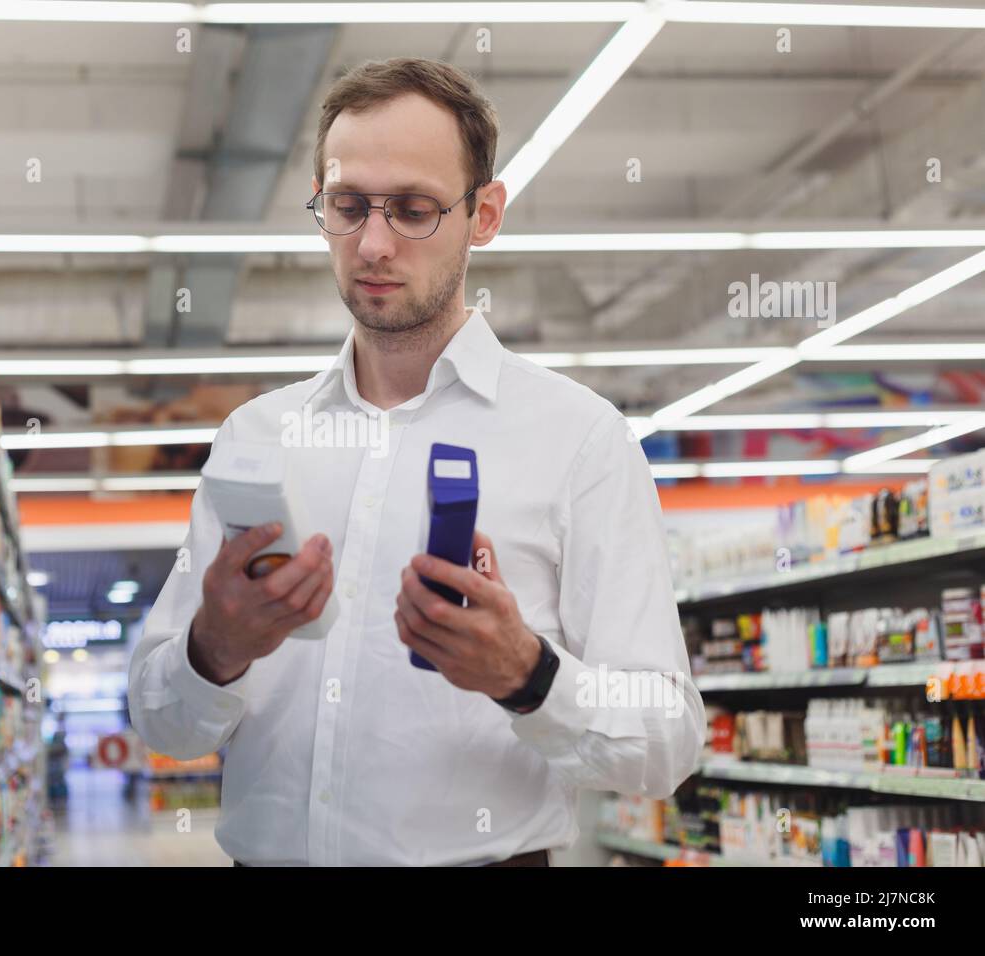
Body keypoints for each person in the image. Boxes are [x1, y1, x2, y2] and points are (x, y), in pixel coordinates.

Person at [129, 57, 705, 866]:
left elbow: (669, 740)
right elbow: (161, 722)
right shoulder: (256, 436)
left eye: (413, 210)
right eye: (348, 205)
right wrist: (213, 649)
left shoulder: (580, 440)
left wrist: (529, 675)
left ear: (485, 214)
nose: (372, 243)